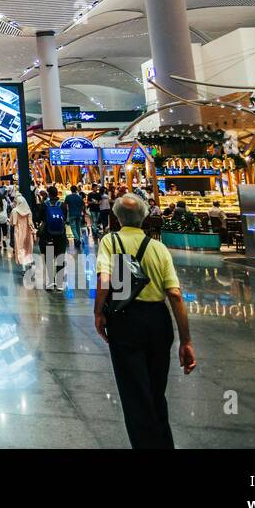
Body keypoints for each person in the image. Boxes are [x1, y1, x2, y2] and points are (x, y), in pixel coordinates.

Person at [93, 193, 196, 449]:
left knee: (134, 394)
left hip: (126, 320)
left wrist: (98, 313)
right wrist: (186, 340)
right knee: (156, 392)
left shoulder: (111, 241)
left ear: (116, 218)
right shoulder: (158, 248)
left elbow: (105, 281)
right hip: (158, 321)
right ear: (145, 218)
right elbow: (175, 294)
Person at [40, 186, 68, 290]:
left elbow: (41, 218)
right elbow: (64, 218)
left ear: (48, 193)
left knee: (49, 258)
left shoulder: (44, 205)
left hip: (48, 234)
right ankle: (60, 283)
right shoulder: (63, 205)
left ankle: (50, 283)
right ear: (57, 194)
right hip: (61, 234)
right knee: (60, 257)